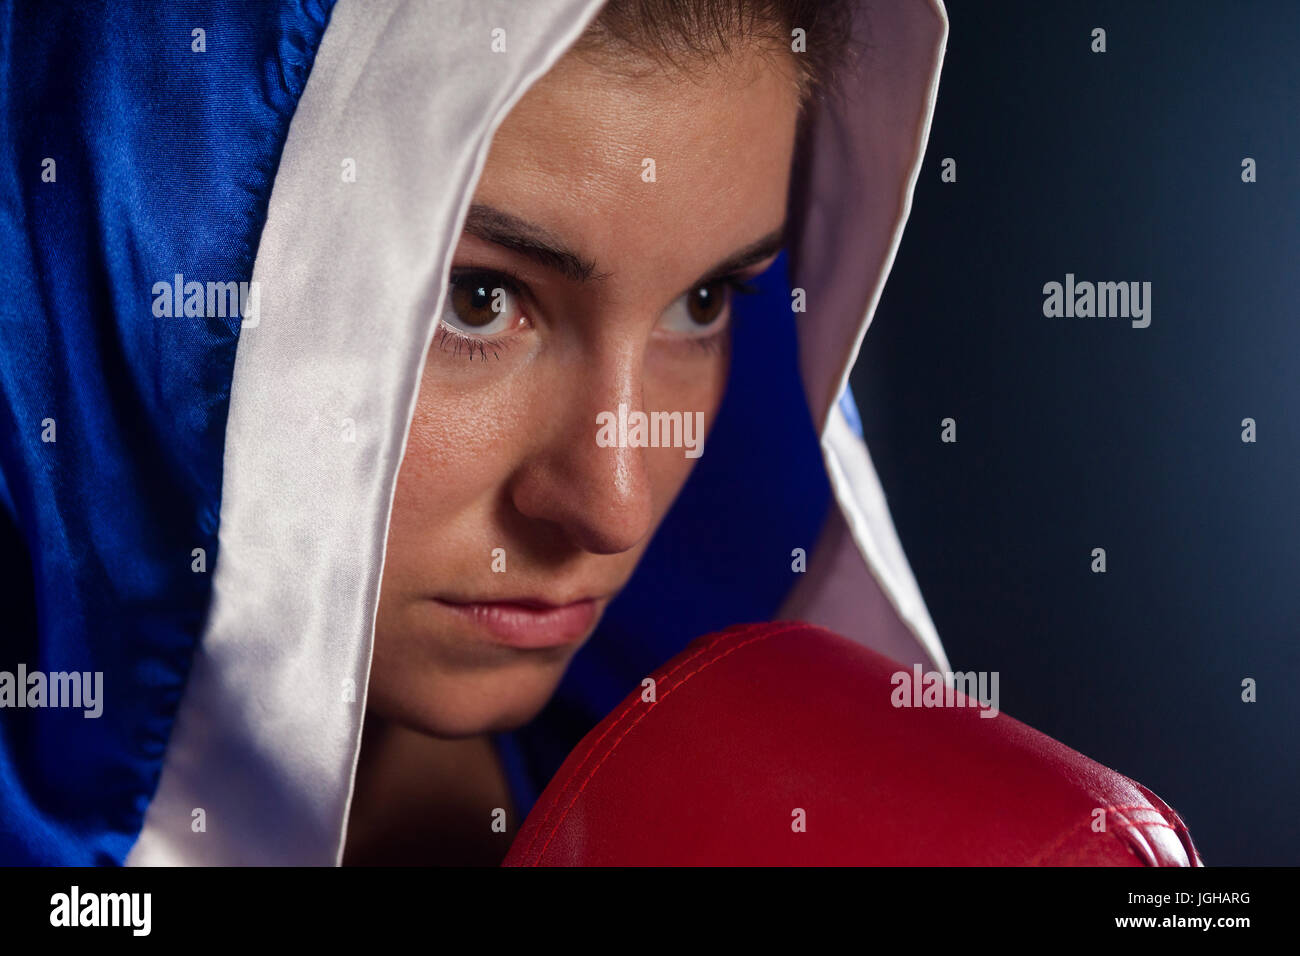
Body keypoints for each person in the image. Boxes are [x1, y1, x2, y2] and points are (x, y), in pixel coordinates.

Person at [0, 0, 952, 865]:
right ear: (141, 259)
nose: (613, 505)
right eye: (477, 298)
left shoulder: (699, 802)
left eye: (702, 301)